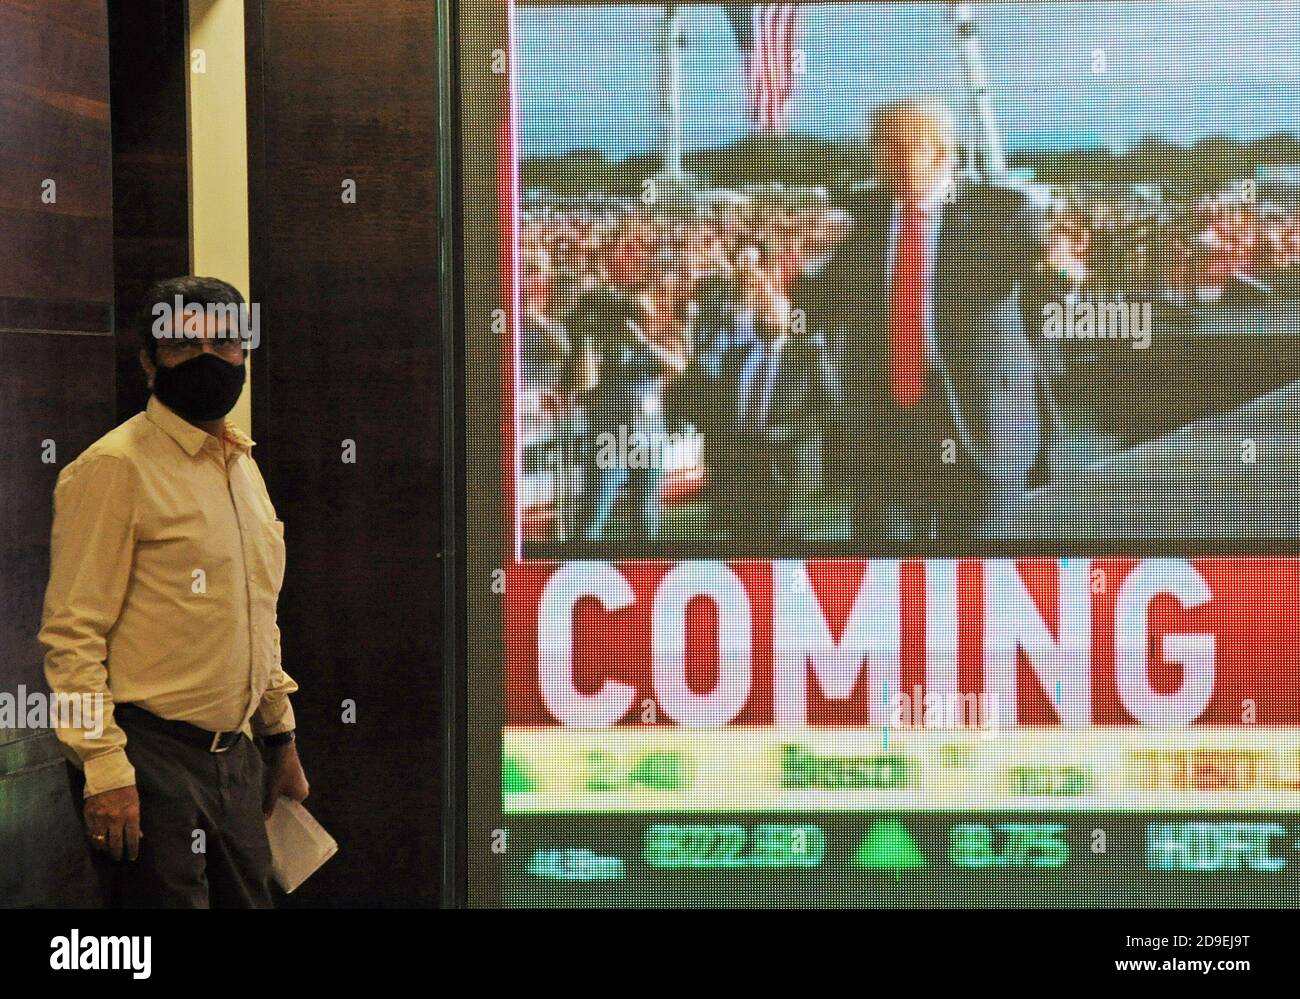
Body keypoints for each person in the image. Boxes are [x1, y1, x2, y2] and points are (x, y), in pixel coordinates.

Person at [39, 276, 308, 908]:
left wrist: (280, 738)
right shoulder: (114, 468)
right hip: (148, 763)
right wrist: (104, 770)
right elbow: (70, 634)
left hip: (237, 757)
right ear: (149, 361)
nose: (210, 360)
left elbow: (255, 615)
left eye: (226, 344)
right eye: (187, 347)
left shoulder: (242, 466)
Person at [791, 98, 1067, 542]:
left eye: (905, 147)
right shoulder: (860, 221)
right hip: (885, 414)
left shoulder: (997, 212)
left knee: (978, 562)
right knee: (881, 556)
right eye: (882, 148)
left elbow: (1039, 317)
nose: (891, 160)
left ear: (940, 151)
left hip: (975, 415)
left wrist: (1046, 440)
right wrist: (802, 269)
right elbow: (819, 309)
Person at [565, 289, 685, 542]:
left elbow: (678, 367)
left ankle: (646, 570)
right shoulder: (604, 343)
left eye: (642, 316)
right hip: (611, 438)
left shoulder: (659, 341)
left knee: (646, 515)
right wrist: (586, 337)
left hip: (649, 439)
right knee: (595, 512)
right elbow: (582, 383)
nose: (634, 322)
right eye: (629, 315)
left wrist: (642, 341)